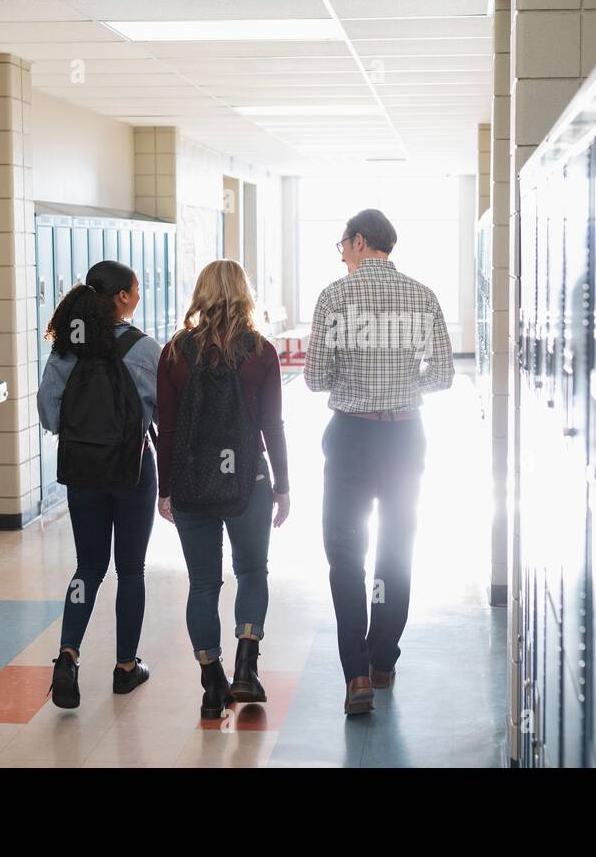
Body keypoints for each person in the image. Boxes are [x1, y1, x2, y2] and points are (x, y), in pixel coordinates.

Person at [304, 208, 454, 715]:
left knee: (345, 555)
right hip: (405, 436)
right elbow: (443, 377)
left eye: (343, 244)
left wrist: (355, 376)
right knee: (395, 547)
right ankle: (384, 657)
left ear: (360, 241)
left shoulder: (334, 296)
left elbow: (316, 378)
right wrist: (405, 384)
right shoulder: (422, 295)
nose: (342, 254)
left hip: (350, 437)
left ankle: (357, 675)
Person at [157, 259, 290, 720]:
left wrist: (165, 489)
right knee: (252, 571)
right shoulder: (260, 351)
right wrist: (283, 485)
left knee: (203, 584)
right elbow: (272, 424)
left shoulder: (174, 352)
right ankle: (246, 669)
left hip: (192, 482)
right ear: (244, 293)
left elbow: (167, 430)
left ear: (201, 293)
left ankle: (212, 684)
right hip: (247, 479)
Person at [37, 260, 162, 709]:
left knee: (88, 566)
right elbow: (163, 416)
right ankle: (126, 668)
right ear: (124, 298)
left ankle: (68, 655)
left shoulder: (69, 346)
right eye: (137, 286)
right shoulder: (146, 349)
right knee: (131, 569)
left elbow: (50, 413)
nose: (140, 292)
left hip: (83, 472)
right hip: (132, 470)